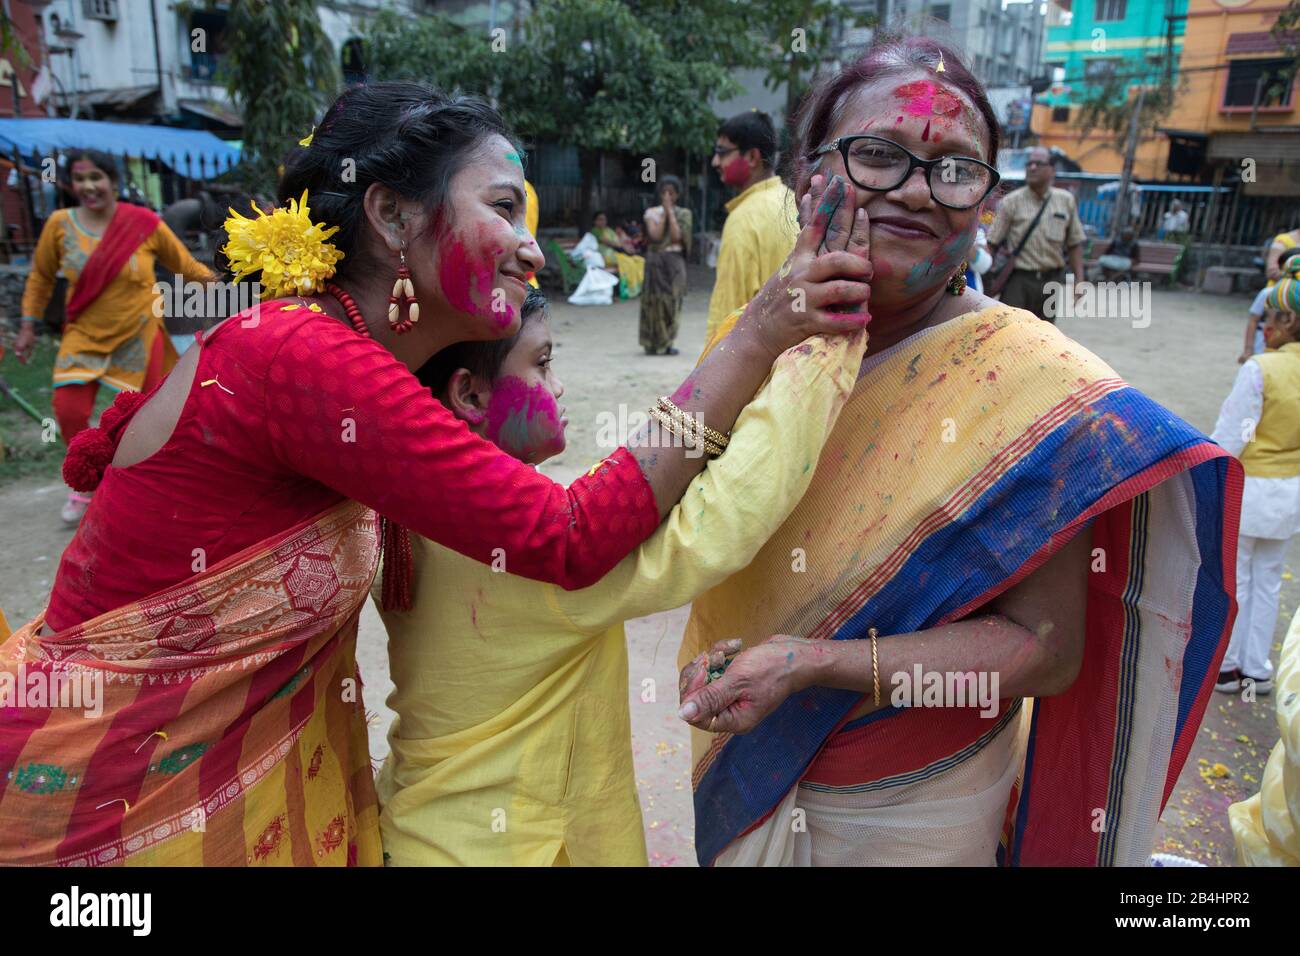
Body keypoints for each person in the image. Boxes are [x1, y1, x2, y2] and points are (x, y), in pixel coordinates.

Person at [0, 84, 867, 867]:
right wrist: (758, 333)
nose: (535, 252)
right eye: (503, 208)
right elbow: (566, 536)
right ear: (391, 215)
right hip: (116, 804)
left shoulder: (313, 350)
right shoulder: (296, 352)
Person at [675, 34, 1240, 868]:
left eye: (953, 169)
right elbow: (644, 503)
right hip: (736, 768)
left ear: (984, 203)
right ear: (807, 177)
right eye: (877, 154)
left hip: (910, 811)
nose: (913, 190)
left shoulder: (1033, 385)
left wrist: (811, 664)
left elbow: (1045, 650)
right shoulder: (753, 343)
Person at [377, 228, 868, 865]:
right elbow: (717, 524)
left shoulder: (414, 502)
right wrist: (825, 353)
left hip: (427, 831)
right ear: (469, 394)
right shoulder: (524, 546)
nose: (558, 387)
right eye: (543, 362)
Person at [11, 149, 215, 526]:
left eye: (96, 178)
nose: (89, 186)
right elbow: (40, 279)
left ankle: (147, 483)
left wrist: (235, 291)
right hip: (84, 334)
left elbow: (186, 266)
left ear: (114, 183)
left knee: (151, 414)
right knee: (68, 408)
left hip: (138, 333)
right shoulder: (59, 224)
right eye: (80, 179)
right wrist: (27, 326)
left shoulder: (143, 222)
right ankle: (87, 481)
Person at [1211, 255, 1300, 697]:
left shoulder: (1261, 369)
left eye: (1271, 318)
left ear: (1288, 320)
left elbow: (1231, 437)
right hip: (1291, 494)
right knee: (1269, 580)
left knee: (1239, 579)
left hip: (1252, 491)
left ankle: (1226, 668)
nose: (1264, 326)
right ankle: (1259, 670)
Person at [705, 110, 800, 347]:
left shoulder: (743, 219)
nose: (715, 162)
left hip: (754, 365)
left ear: (751, 157)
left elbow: (726, 319)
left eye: (722, 153)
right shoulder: (792, 201)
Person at [987, 145, 1085, 321]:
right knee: (1012, 332)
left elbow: (1074, 243)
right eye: (1029, 163)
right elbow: (992, 243)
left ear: (1052, 170)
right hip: (1018, 281)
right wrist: (983, 282)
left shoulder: (1065, 201)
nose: (1032, 168)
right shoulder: (1011, 202)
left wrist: (1079, 280)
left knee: (1044, 336)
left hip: (1051, 281)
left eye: (1039, 164)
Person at [640, 175, 692, 355]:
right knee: (655, 301)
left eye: (671, 193)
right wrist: (664, 212)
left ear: (678, 195)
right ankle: (653, 343)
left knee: (673, 300)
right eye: (664, 193)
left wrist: (670, 212)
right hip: (656, 262)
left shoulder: (684, 214)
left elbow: (678, 237)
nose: (667, 196)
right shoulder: (652, 213)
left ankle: (667, 342)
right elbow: (655, 236)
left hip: (675, 262)